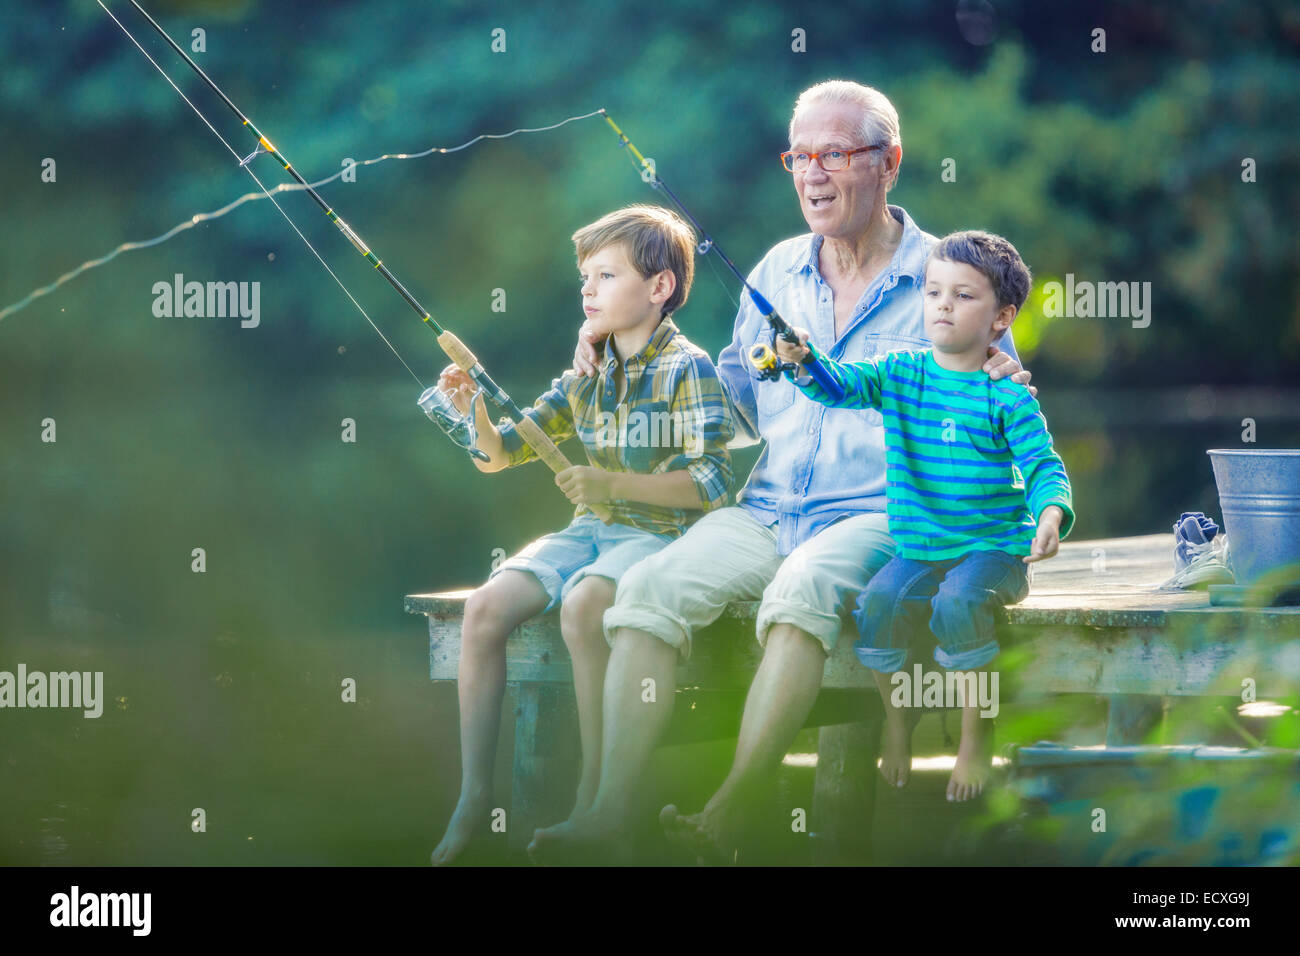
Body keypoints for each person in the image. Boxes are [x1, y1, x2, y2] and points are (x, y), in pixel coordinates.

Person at [528, 80, 1036, 865]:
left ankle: (733, 807)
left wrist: (1004, 380)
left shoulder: (946, 277)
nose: (813, 173)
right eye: (800, 155)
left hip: (879, 515)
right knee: (644, 592)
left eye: (835, 153)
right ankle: (607, 811)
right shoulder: (775, 269)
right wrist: (615, 364)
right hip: (767, 506)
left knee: (801, 591)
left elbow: (996, 396)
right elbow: (724, 404)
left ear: (889, 162)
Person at [429, 204, 733, 865]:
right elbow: (500, 455)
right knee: (483, 609)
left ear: (659, 289)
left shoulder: (690, 368)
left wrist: (613, 485)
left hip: (660, 535)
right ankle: (475, 795)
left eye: (605, 275)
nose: (587, 290)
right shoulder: (586, 374)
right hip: (590, 531)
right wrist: (473, 412)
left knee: (585, 604)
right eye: (585, 278)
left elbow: (713, 484)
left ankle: (598, 799)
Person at [774, 229, 1074, 802]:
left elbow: (1043, 466)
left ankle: (973, 734)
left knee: (958, 602)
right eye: (934, 291)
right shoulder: (901, 373)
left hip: (992, 551)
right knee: (878, 605)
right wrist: (804, 360)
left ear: (1000, 317)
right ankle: (897, 718)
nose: (943, 304)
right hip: (918, 547)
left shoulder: (1006, 394)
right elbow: (839, 388)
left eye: (963, 296)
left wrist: (1051, 516)